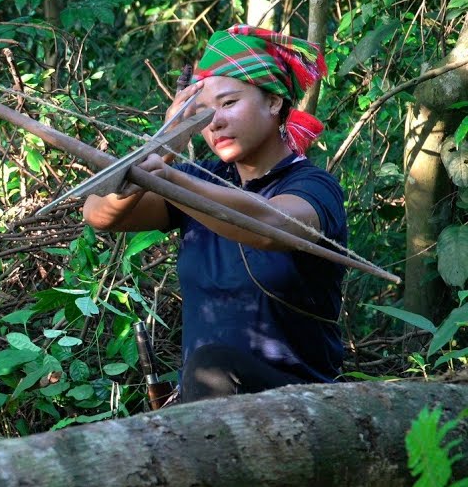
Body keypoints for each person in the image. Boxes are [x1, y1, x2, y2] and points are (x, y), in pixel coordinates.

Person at [83, 25, 347, 403]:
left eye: (229, 103)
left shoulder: (313, 186)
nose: (215, 122)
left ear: (274, 102)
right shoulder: (197, 178)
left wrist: (173, 179)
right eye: (203, 113)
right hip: (210, 405)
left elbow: (269, 225)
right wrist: (166, 142)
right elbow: (99, 212)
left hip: (302, 404)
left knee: (215, 363)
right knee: (211, 366)